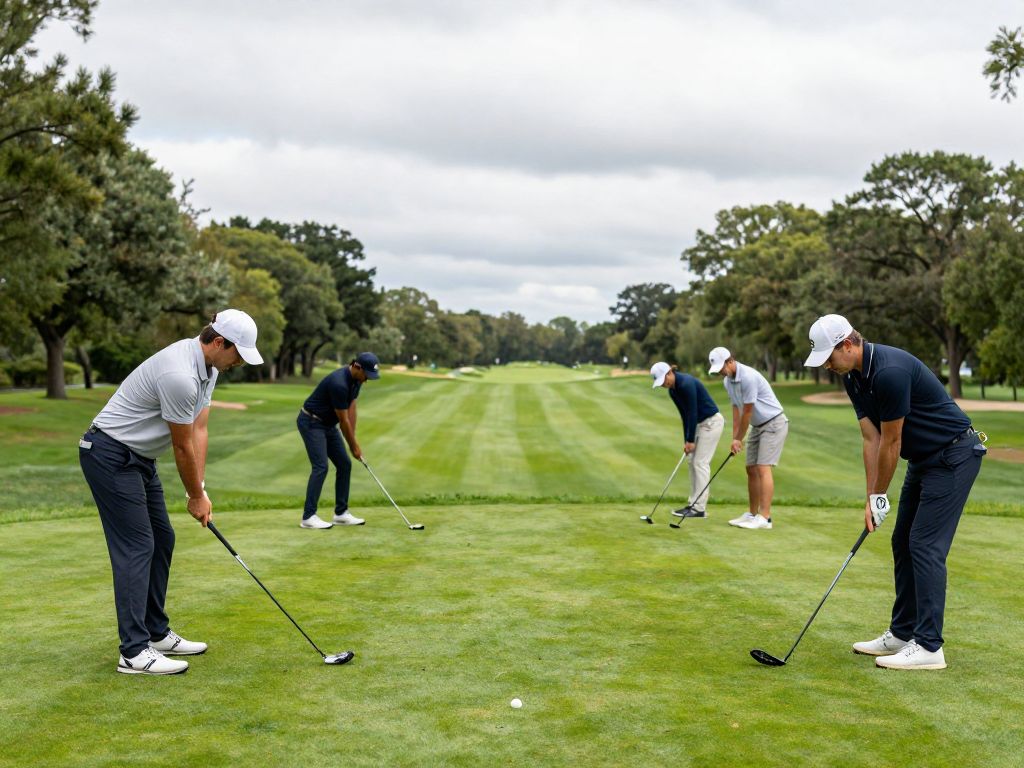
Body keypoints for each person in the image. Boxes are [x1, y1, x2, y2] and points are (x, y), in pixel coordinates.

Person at [80, 309, 262, 675]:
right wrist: (194, 496)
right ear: (217, 342)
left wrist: (201, 489)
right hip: (109, 454)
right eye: (237, 353)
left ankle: (155, 632)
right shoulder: (180, 374)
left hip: (138, 458)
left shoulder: (209, 368)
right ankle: (133, 651)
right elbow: (181, 446)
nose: (239, 361)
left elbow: (199, 430)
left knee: (162, 538)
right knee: (137, 545)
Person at [804, 314, 985, 670]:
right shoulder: (853, 378)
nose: (826, 364)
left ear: (848, 345)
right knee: (902, 541)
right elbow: (870, 439)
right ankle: (903, 633)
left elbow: (892, 440)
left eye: (829, 356)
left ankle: (930, 647)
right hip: (923, 459)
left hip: (954, 454)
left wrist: (881, 494)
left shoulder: (889, 371)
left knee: (925, 545)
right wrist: (872, 497)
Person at [296, 352, 381, 529]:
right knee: (321, 466)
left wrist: (354, 438)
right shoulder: (339, 383)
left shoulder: (357, 380)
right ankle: (308, 517)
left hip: (327, 424)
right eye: (366, 374)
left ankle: (341, 513)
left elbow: (352, 407)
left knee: (344, 464)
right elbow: (343, 421)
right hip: (311, 421)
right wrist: (353, 446)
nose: (366, 380)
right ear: (357, 367)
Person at [708, 346, 788, 530]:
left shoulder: (748, 377)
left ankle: (765, 517)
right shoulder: (728, 381)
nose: (721, 372)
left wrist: (739, 438)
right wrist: (735, 438)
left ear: (730, 361)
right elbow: (736, 410)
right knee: (750, 468)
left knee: (762, 467)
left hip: (774, 423)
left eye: (722, 367)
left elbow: (748, 412)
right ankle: (752, 514)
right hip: (758, 425)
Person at [649, 362, 725, 519]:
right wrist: (687, 441)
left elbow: (692, 412)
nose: (663, 384)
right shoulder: (673, 391)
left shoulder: (686, 383)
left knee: (700, 463)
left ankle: (699, 508)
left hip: (711, 423)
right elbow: (684, 416)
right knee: (691, 461)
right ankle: (692, 504)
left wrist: (691, 439)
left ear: (670, 372)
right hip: (699, 423)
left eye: (664, 380)